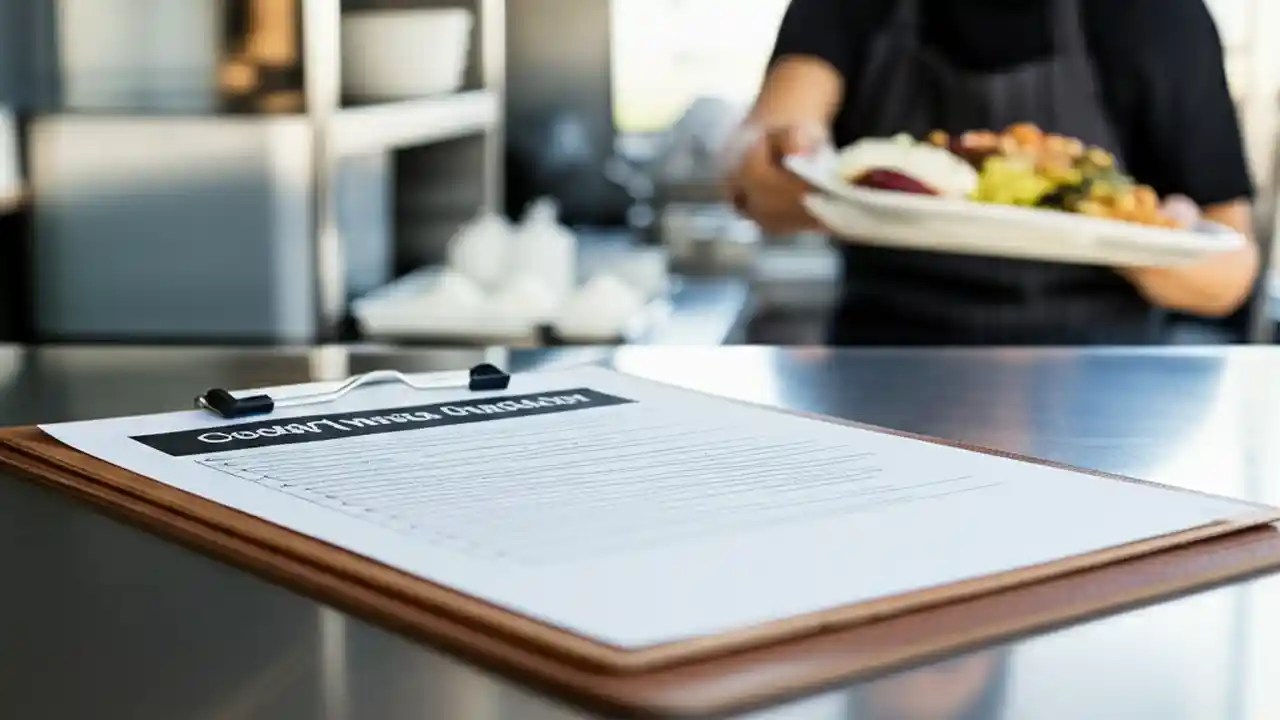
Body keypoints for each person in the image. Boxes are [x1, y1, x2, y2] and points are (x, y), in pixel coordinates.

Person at [725, 0, 1259, 345]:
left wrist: (1142, 235)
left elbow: (1230, 275)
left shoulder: (1157, 15)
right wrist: (795, 161)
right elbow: (753, 173)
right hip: (881, 363)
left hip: (1098, 378)